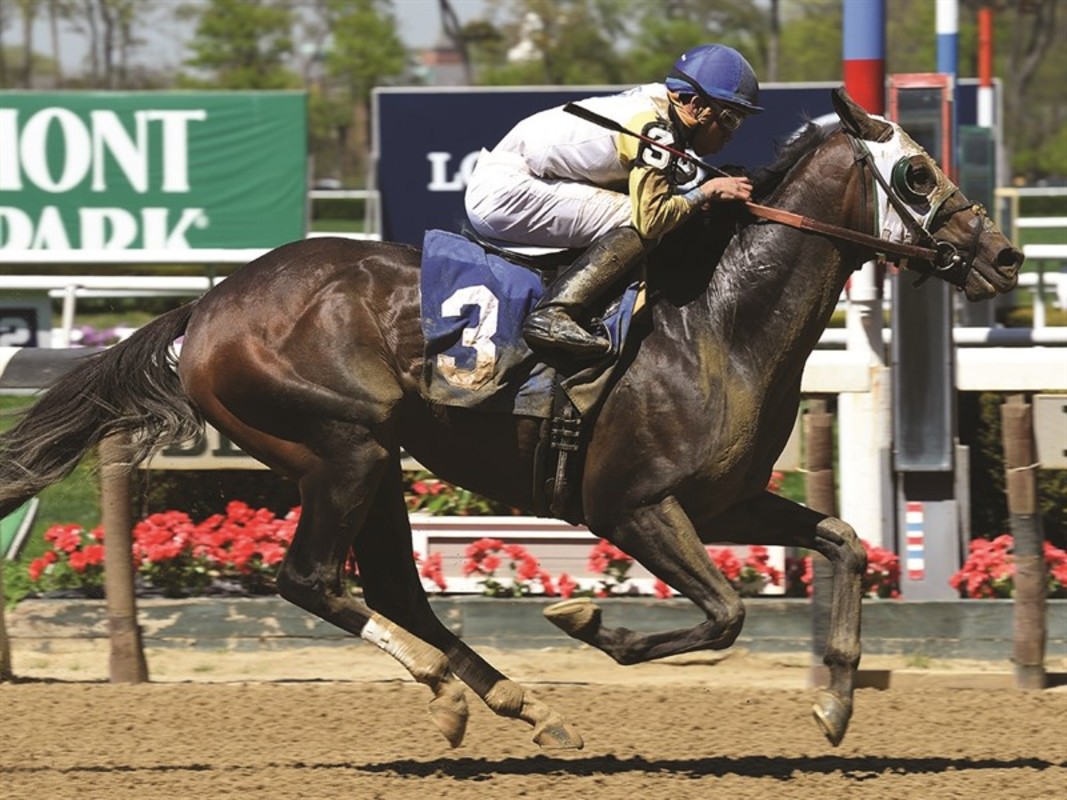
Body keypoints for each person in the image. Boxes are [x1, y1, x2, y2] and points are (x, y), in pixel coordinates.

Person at [464, 43, 764, 360]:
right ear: (692, 103)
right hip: (506, 191)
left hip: (523, 178)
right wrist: (707, 191)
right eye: (730, 119)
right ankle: (553, 315)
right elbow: (652, 220)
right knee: (641, 221)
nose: (731, 135)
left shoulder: (661, 108)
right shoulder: (655, 129)